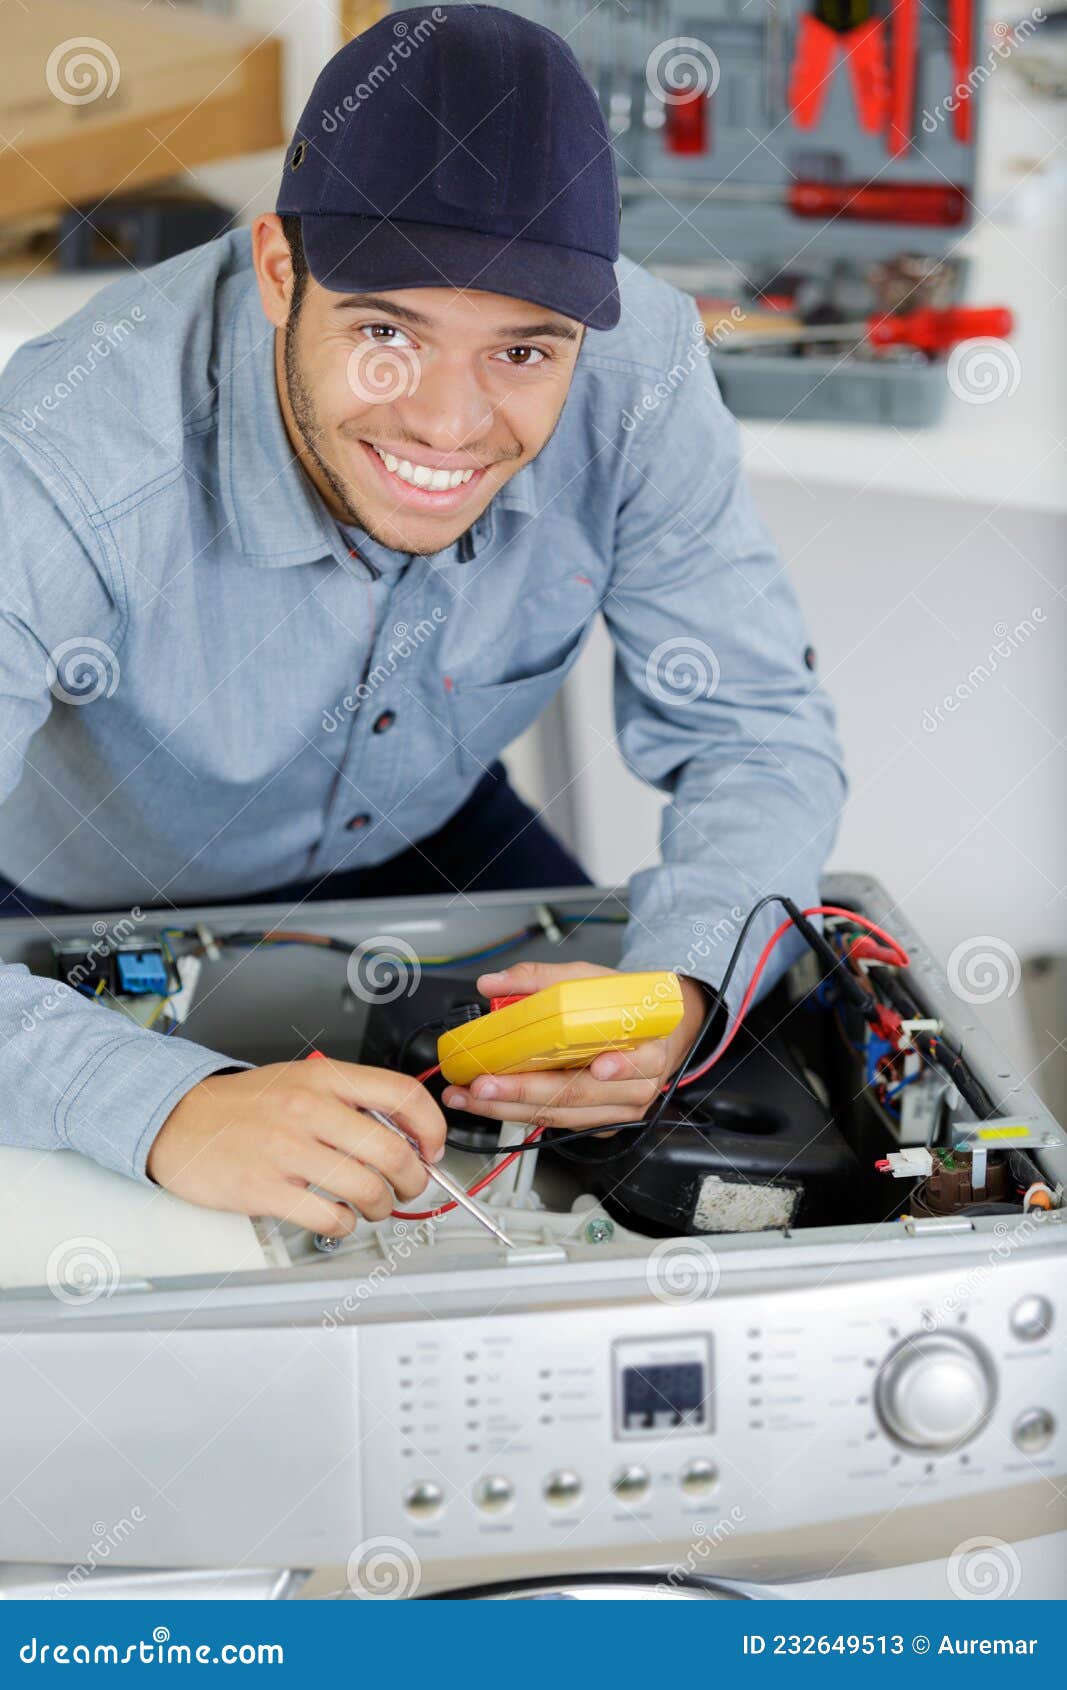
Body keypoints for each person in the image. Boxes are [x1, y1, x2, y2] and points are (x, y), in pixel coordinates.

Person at [0, 5, 844, 1239]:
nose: (449, 426)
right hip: (71, 895)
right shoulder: (60, 461)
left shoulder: (637, 370)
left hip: (421, 829)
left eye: (521, 351)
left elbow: (757, 730)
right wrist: (160, 1103)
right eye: (387, 333)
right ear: (280, 268)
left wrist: (685, 987)